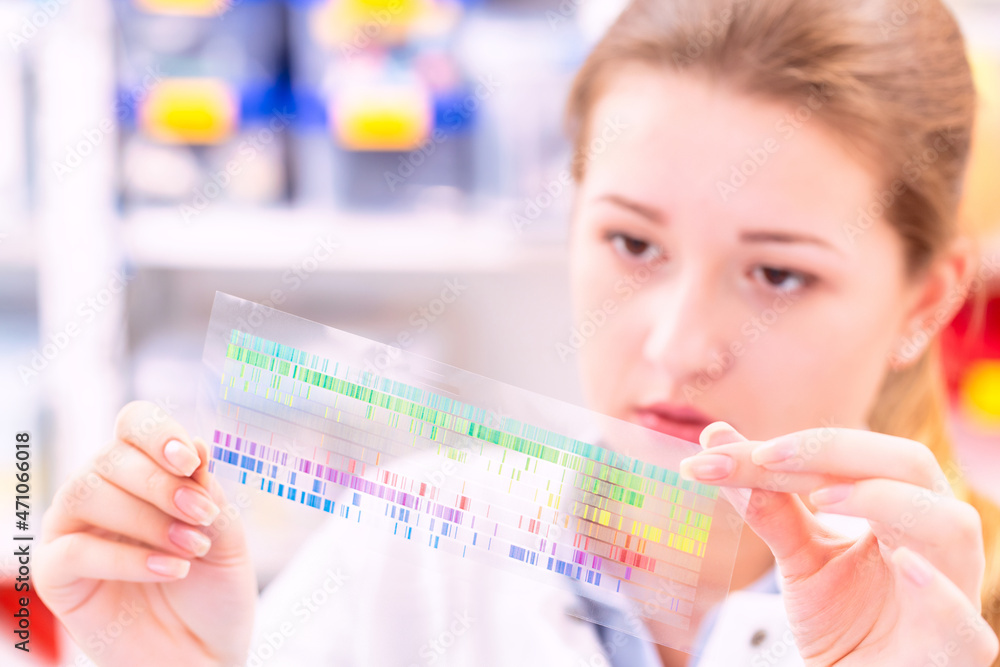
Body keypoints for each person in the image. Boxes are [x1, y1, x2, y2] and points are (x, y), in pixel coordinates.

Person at [34, 0, 1000, 665]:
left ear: (929, 299)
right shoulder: (413, 550)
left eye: (778, 273)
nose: (674, 347)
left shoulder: (952, 626)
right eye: (632, 241)